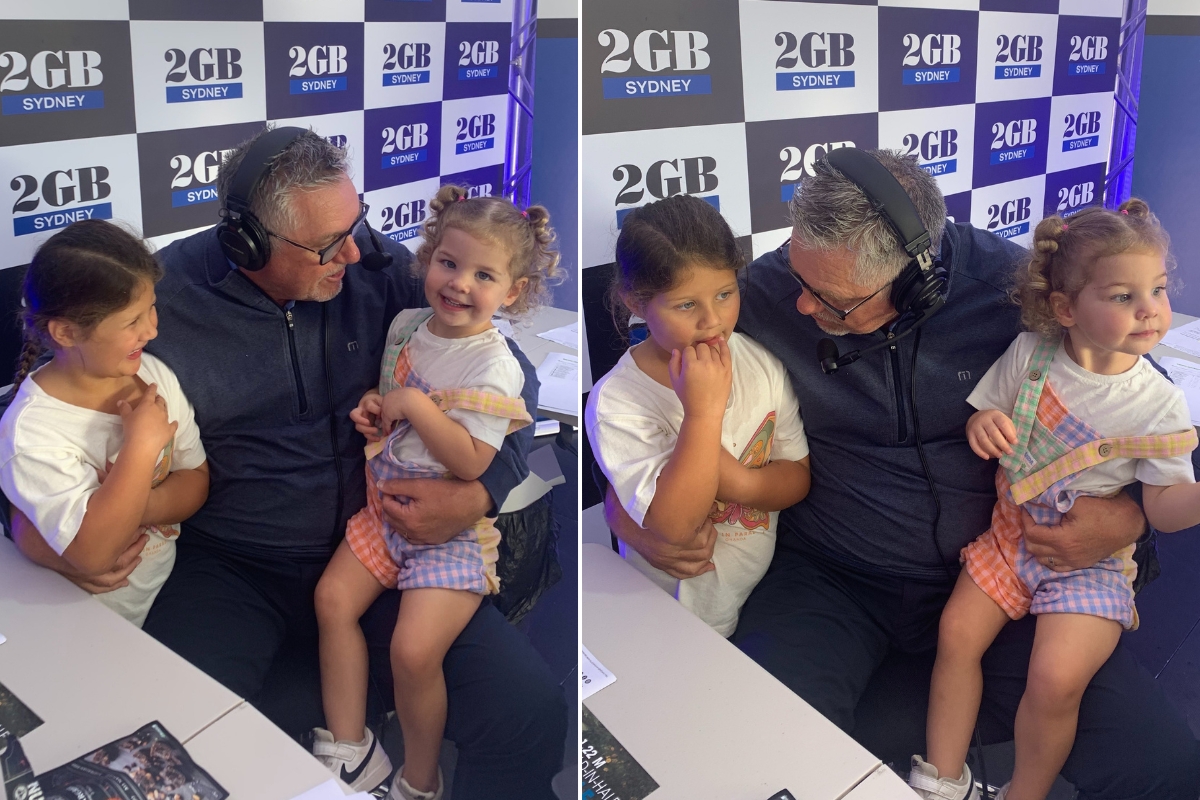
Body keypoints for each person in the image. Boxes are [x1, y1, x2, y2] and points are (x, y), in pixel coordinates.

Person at [603, 149, 1200, 797]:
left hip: (1007, 577)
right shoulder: (777, 288)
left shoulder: (1012, 291)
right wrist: (620, 509)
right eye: (798, 279)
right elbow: (646, 384)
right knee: (751, 756)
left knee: (1159, 764)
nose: (800, 306)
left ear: (917, 282)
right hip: (831, 581)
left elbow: (1141, 409)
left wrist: (1129, 513)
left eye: (828, 300)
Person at [7, 128, 566, 799]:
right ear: (248, 241)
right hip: (231, 569)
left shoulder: (376, 270)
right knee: (166, 743)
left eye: (354, 225)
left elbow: (510, 378)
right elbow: (49, 415)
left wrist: (482, 494)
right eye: (330, 245)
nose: (355, 252)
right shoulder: (161, 302)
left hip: (385, 549)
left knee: (528, 714)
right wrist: (34, 533)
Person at [914, 201, 1200, 800]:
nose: (1150, 309)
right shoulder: (1032, 355)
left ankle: (1026, 792)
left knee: (1054, 677)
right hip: (1009, 535)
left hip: (1090, 566)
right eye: (1123, 295)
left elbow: (1164, 510)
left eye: (1158, 289)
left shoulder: (1159, 404)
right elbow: (987, 413)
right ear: (1066, 308)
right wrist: (983, 425)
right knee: (957, 634)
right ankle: (941, 780)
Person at [313, 185, 561, 800]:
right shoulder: (406, 327)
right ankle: (351, 753)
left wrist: (415, 407)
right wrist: (379, 410)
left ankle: (419, 779)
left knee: (412, 651)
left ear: (515, 292)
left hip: (450, 539)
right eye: (448, 263)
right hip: (383, 512)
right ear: (428, 259)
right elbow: (395, 406)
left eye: (483, 274)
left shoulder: (495, 366)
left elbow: (474, 459)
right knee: (332, 600)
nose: (458, 284)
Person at [586, 195, 810, 636]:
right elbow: (672, 527)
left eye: (726, 294)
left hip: (760, 597)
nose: (713, 321)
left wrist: (739, 482)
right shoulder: (619, 400)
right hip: (669, 614)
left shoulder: (761, 363)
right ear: (635, 301)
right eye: (686, 305)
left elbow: (798, 476)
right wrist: (703, 415)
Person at [0, 220, 208, 627]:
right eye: (131, 321)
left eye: (151, 307)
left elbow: (196, 476)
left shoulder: (153, 375)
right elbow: (95, 555)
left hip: (161, 598)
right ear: (65, 332)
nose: (152, 329)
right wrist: (141, 448)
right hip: (82, 623)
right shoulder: (32, 433)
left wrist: (139, 507)